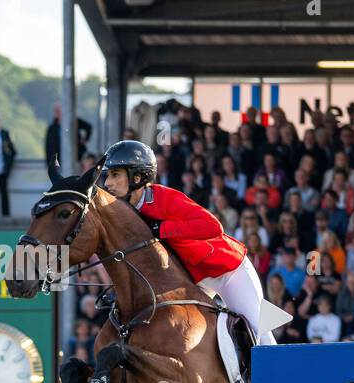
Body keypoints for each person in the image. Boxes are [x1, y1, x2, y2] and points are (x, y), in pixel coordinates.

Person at [99, 139, 287, 346]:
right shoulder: (126, 214)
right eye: (107, 176)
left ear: (137, 176)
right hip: (193, 283)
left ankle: (277, 374)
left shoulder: (164, 198)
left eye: (115, 175)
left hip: (227, 272)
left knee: (258, 332)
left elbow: (213, 226)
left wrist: (162, 229)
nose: (107, 183)